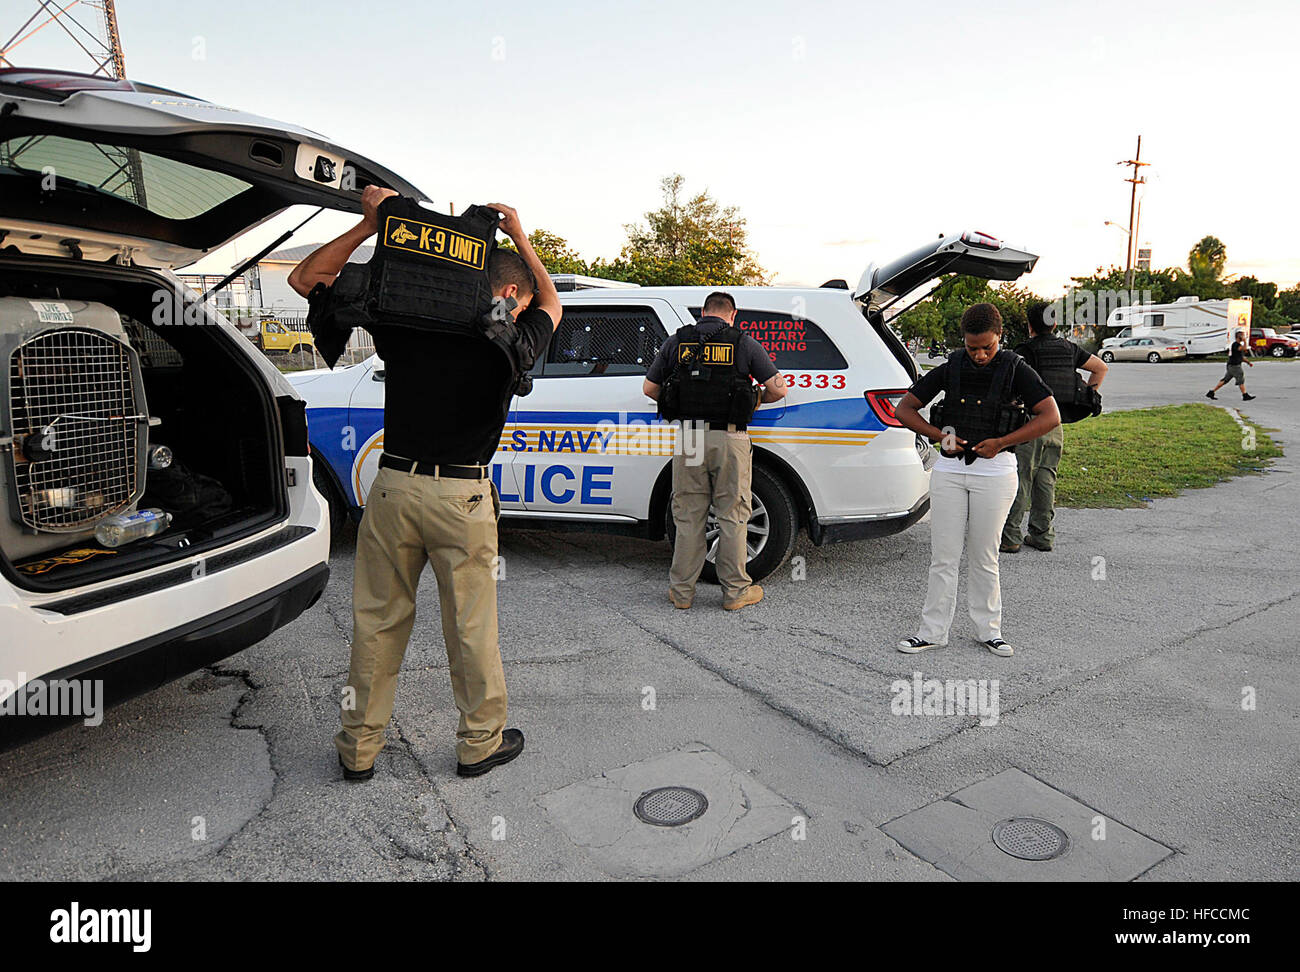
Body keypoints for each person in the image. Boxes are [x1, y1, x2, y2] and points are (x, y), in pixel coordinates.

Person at [288, 189, 561, 781]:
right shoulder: (510, 341)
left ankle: (358, 749)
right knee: (470, 628)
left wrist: (369, 224)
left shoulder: (404, 320)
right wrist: (520, 234)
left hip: (391, 488)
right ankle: (478, 744)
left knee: (377, 623)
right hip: (461, 499)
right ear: (510, 294)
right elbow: (553, 302)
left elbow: (306, 277)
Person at [894, 303, 1061, 657]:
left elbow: (1050, 416)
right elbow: (904, 409)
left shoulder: (1017, 368)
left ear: (999, 337)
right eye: (973, 348)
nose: (981, 354)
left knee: (985, 555)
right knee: (943, 556)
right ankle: (932, 632)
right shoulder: (951, 365)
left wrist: (1002, 442)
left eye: (988, 346)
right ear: (963, 341)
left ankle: (990, 631)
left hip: (996, 470)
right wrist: (939, 436)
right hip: (951, 470)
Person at [642, 292, 787, 610]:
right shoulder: (744, 343)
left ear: (703, 312)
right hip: (729, 438)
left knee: (689, 515)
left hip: (690, 437)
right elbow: (778, 387)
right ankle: (735, 593)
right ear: (732, 314)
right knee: (733, 515)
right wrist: (755, 398)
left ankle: (681, 593)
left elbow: (650, 388)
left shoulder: (676, 341)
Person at [1000, 301, 1107, 553]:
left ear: (1029, 326)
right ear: (1055, 324)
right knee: (1046, 477)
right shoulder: (1068, 348)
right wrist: (1087, 394)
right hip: (1056, 424)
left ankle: (1011, 536)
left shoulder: (1025, 350)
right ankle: (1042, 535)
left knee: (1022, 477)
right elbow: (1101, 368)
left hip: (1030, 423)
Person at [1207, 331, 1256, 401]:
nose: (1244, 337)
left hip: (1232, 366)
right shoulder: (1235, 345)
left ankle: (1211, 392)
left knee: (1225, 380)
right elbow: (1244, 348)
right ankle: (1245, 395)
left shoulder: (1238, 345)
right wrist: (1245, 341)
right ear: (1239, 337)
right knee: (1240, 379)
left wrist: (1248, 362)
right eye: (1242, 336)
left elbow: (1241, 357)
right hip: (1234, 366)